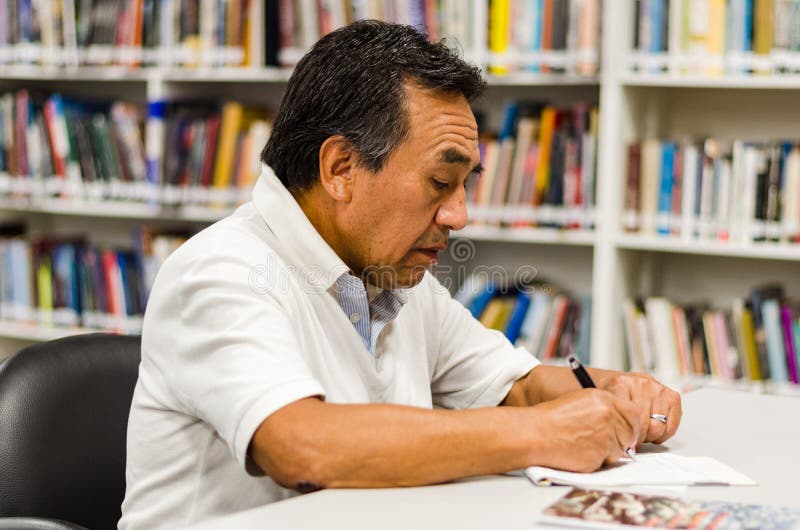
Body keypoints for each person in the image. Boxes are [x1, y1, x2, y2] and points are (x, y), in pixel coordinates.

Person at [119, 20, 681, 529]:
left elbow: (518, 387)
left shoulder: (391, 277)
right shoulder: (220, 272)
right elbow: (301, 447)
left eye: (466, 187)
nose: (459, 215)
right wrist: (546, 433)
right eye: (440, 183)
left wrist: (614, 393)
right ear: (341, 169)